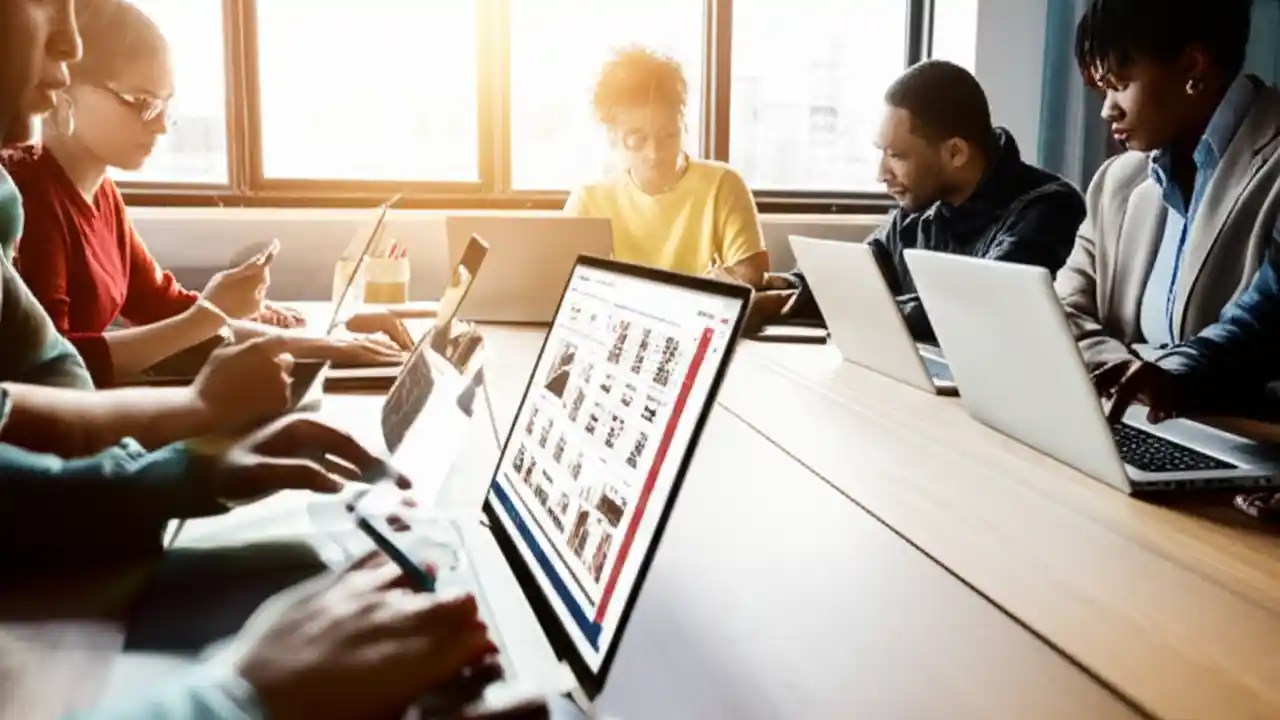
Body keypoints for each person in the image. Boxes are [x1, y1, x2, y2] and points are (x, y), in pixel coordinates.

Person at [6, 0, 413, 388]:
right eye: (143, 103)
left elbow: (166, 309)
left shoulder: (101, 193)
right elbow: (55, 366)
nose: (162, 126)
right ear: (64, 85)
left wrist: (318, 344)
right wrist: (211, 313)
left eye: (166, 105)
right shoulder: (31, 197)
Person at [751, 60, 1086, 340]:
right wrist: (770, 286)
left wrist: (789, 304)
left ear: (955, 152)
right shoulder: (919, 210)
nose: (881, 173)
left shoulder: (1049, 208)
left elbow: (974, 310)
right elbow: (857, 270)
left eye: (896, 155)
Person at [1057, 0, 1280, 377]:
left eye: (1119, 85)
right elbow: (1063, 310)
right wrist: (1129, 377)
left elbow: (1263, 328)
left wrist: (1163, 382)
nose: (1106, 110)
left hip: (1237, 431)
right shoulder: (1116, 182)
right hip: (1137, 419)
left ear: (1193, 66)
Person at [564, 46, 770, 287]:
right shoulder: (589, 201)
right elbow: (563, 287)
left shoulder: (722, 185)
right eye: (637, 139)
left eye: (668, 136)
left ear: (682, 125)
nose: (654, 153)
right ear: (612, 136)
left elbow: (752, 277)